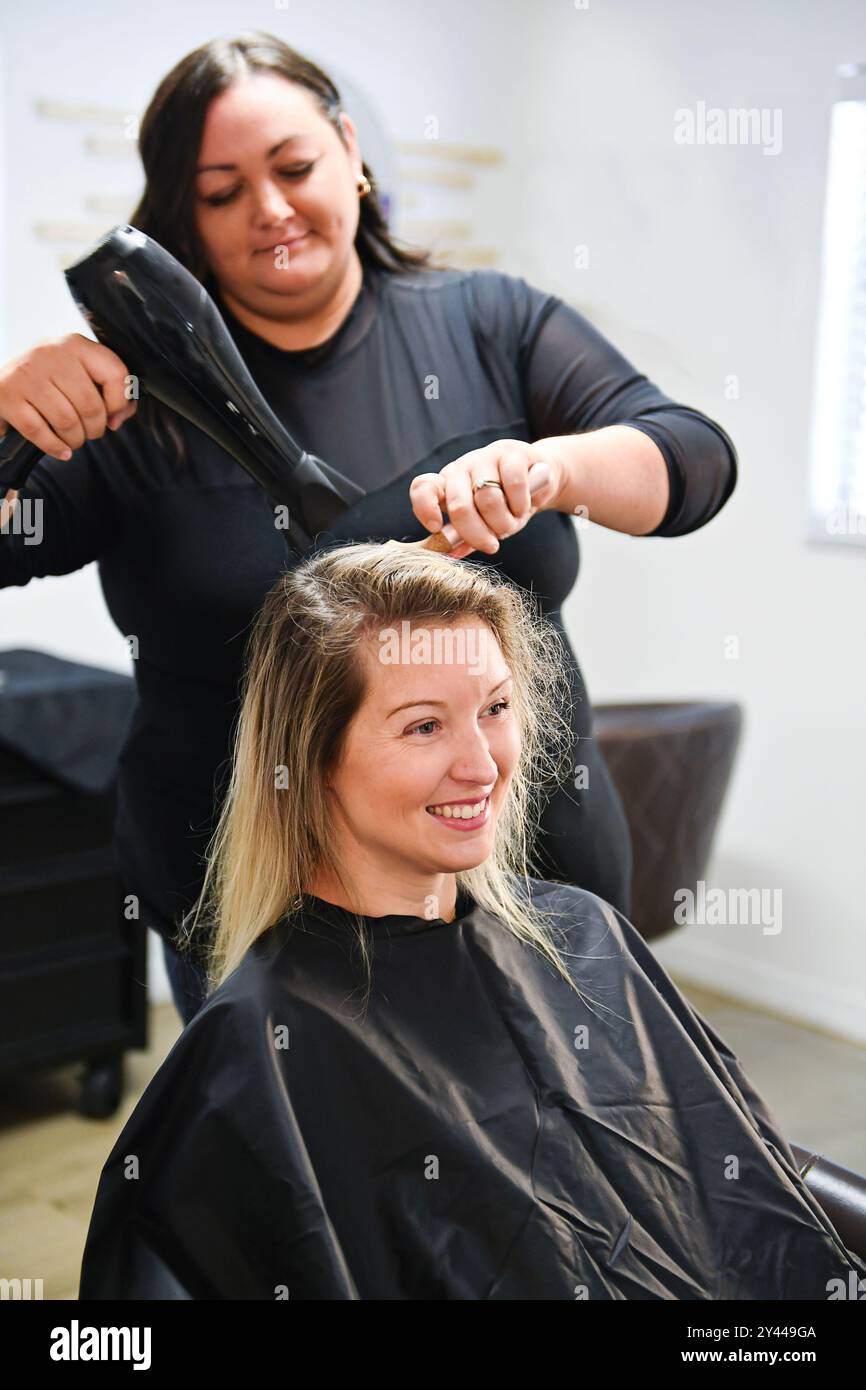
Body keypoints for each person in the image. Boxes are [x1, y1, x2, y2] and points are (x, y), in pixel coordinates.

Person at [0, 31, 738, 1027]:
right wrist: (8, 430)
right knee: (303, 1173)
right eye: (220, 193)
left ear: (351, 154)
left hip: (524, 872)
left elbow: (691, 460)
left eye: (294, 167)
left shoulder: (486, 323)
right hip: (256, 903)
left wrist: (547, 467)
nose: (268, 209)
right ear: (182, 216)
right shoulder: (135, 410)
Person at [77, 541, 863, 1301]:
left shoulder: (584, 933)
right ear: (309, 755)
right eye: (424, 726)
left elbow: (740, 1184)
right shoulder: (259, 1044)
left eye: (494, 709)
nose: (484, 766)